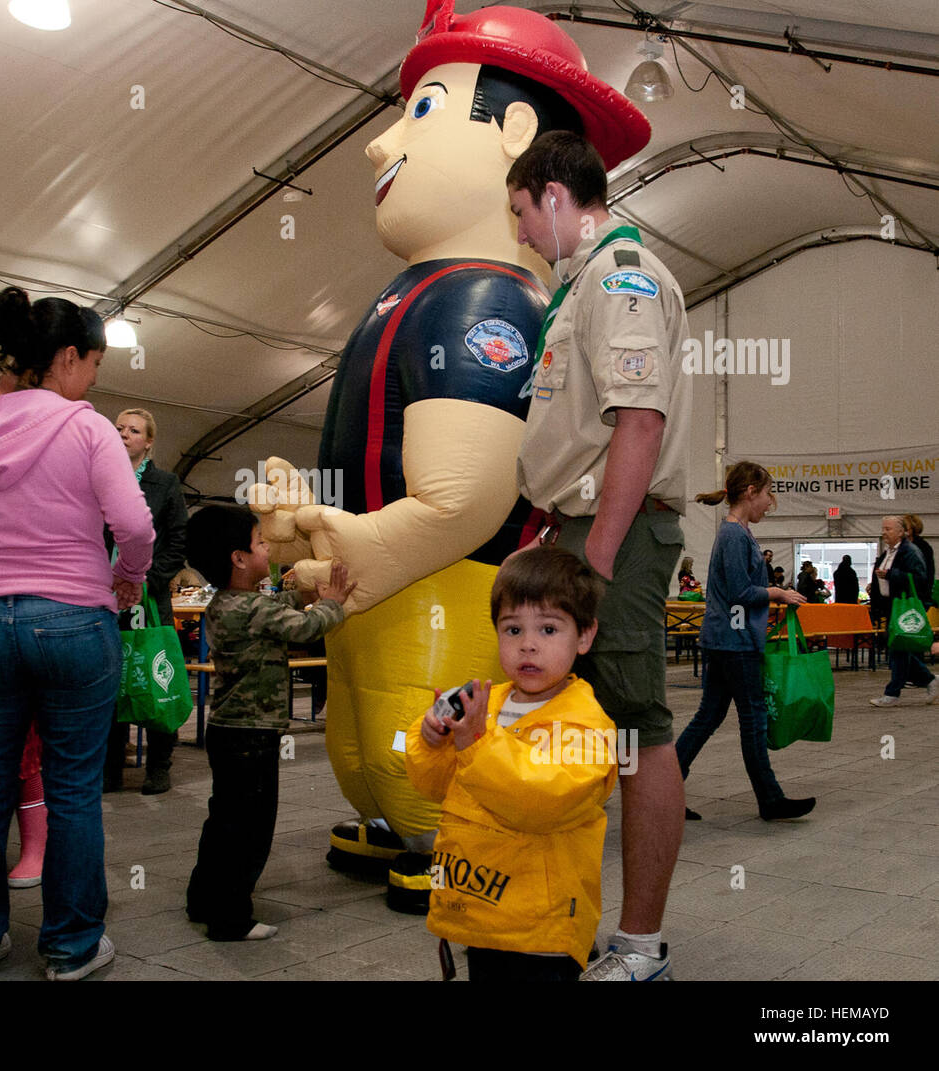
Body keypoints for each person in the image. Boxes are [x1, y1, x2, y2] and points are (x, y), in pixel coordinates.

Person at [249, 4, 651, 886]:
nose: (380, 143)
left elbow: (467, 487)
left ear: (514, 134)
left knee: (411, 738)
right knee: (361, 747)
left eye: (421, 110)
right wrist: (317, 520)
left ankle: (446, 832)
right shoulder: (413, 291)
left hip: (445, 575)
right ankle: (395, 825)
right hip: (382, 575)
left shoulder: (489, 300)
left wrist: (368, 538)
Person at [508, 129, 689, 981]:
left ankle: (642, 944)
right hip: (576, 527)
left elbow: (639, 422)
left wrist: (603, 558)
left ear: (553, 196)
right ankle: (583, 918)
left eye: (518, 212)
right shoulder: (580, 288)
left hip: (611, 532)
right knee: (592, 734)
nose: (516, 233)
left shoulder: (622, 278)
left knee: (636, 734)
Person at [0, 286, 154, 981]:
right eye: (91, 361)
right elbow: (137, 526)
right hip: (72, 625)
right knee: (72, 787)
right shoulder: (86, 426)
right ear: (66, 357)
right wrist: (129, 574)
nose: (92, 378)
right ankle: (70, 946)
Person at [405, 546, 616, 981]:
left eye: (549, 628)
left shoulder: (585, 724)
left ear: (585, 636)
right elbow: (434, 786)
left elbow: (544, 799)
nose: (529, 643)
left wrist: (477, 745)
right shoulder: (488, 701)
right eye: (513, 628)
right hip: (479, 909)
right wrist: (432, 742)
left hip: (541, 927)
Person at [183, 506, 352, 941]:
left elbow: (275, 608)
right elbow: (305, 628)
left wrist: (295, 590)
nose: (267, 547)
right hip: (252, 736)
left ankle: (204, 898)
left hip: (229, 731)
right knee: (250, 829)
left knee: (223, 820)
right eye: (260, 542)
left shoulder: (226, 603)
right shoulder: (254, 609)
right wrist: (331, 603)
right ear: (239, 558)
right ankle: (230, 917)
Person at [674, 463, 815, 822]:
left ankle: (664, 792)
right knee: (753, 719)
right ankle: (770, 799)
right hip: (734, 641)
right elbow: (739, 592)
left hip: (723, 638)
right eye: (768, 494)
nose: (771, 502)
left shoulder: (735, 532)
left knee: (709, 716)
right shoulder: (736, 535)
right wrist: (777, 593)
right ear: (751, 491)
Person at [104, 408, 190, 795]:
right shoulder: (98, 479)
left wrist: (148, 581)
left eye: (133, 430)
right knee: (111, 682)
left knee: (157, 674)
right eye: (119, 427)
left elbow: (177, 540)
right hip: (103, 597)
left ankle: (159, 766)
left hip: (149, 597)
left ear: (149, 441)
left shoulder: (165, 484)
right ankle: (110, 768)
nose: (123, 434)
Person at [868, 515, 936, 707]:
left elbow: (920, 578)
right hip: (891, 606)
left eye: (888, 529)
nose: (884, 532)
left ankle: (892, 693)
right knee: (899, 649)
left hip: (905, 607)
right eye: (883, 528)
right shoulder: (888, 552)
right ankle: (929, 680)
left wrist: (891, 574)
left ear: (901, 532)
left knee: (898, 649)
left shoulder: (910, 551)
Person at [903, 515, 935, 599]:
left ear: (913, 528)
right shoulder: (902, 545)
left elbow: (928, 571)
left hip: (920, 591)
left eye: (905, 526)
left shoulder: (923, 546)